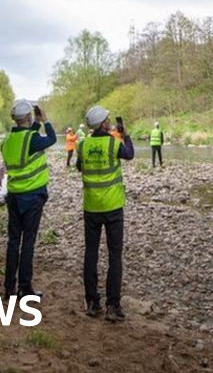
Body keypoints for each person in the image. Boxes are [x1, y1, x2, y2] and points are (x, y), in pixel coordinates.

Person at [76, 105, 134, 321]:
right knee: (114, 255)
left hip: (91, 205)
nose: (110, 121)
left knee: (90, 254)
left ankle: (92, 302)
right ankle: (112, 305)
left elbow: (80, 167)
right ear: (102, 123)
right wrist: (125, 134)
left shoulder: (83, 145)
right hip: (113, 206)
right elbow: (129, 155)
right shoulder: (113, 143)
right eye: (107, 119)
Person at [0, 100, 55, 299]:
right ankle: (25, 287)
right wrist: (45, 121)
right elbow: (51, 139)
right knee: (28, 242)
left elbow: (27, 139)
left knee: (13, 241)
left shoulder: (6, 141)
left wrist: (35, 123)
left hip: (13, 196)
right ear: (29, 117)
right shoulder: (32, 138)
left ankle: (9, 288)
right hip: (32, 197)